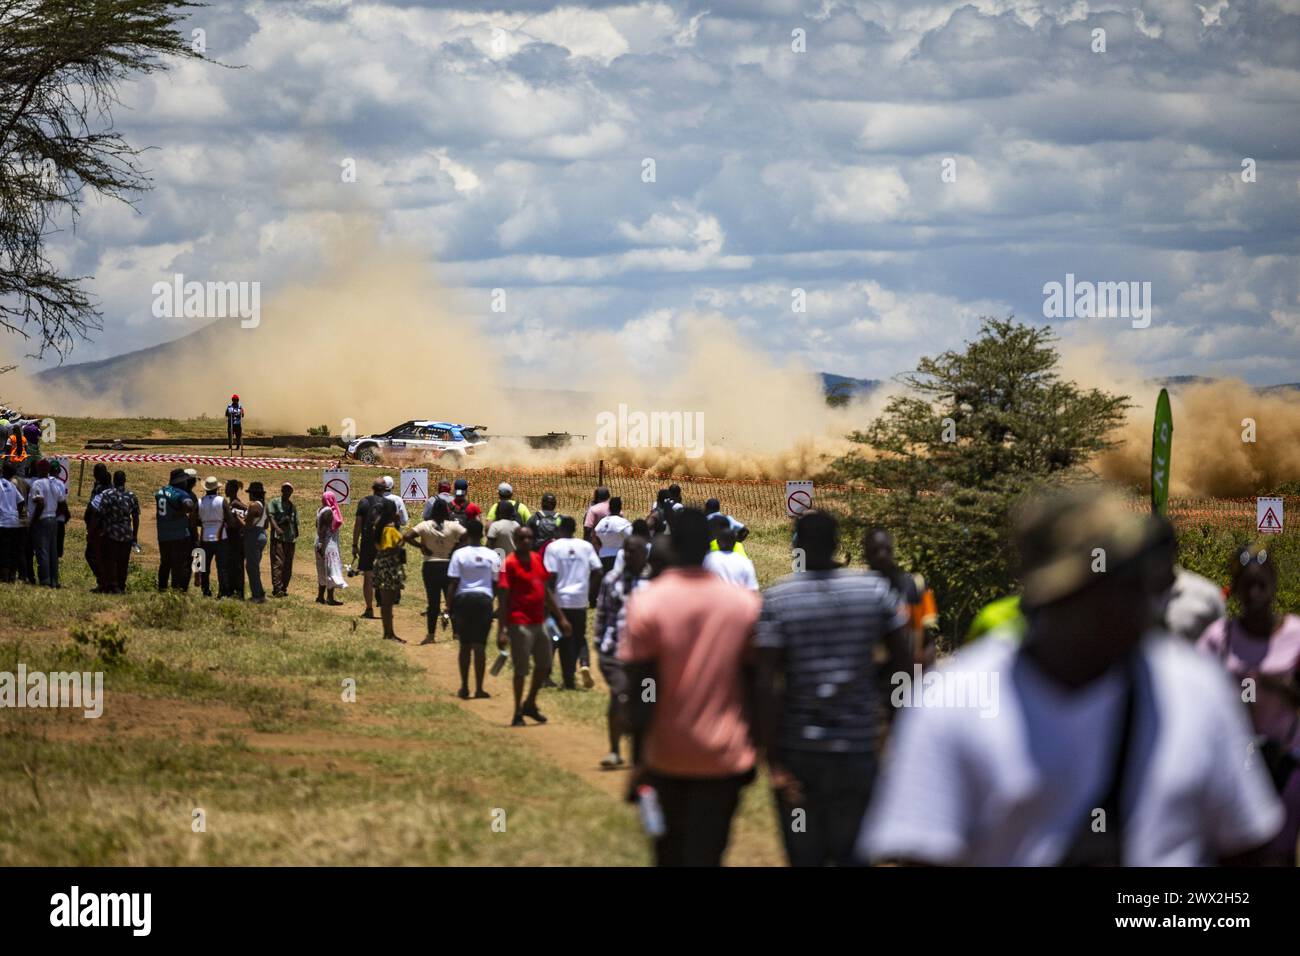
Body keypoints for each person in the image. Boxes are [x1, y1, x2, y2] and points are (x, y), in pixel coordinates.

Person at [858, 487, 1283, 866]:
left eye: (1139, 577)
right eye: (1114, 582)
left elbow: (1247, 847)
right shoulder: (953, 704)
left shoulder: (1196, 690)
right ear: (1057, 598)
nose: (1140, 597)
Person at [754, 511, 911, 866]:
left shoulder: (779, 598)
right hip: (858, 749)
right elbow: (906, 661)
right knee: (854, 854)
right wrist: (881, 698)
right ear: (838, 544)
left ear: (798, 546)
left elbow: (766, 682)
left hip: (799, 752)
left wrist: (773, 756)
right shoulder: (873, 591)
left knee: (804, 854)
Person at [620, 508, 762, 866]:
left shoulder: (648, 602)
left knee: (668, 852)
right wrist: (756, 747)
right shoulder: (744, 605)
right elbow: (756, 683)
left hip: (666, 756)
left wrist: (639, 758)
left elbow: (642, 687)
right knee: (709, 853)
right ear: (708, 545)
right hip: (725, 757)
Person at [1198, 544, 1300, 865]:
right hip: (1233, 764)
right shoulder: (1219, 637)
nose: (1254, 594)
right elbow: (1196, 697)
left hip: (1286, 760)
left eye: (1261, 585)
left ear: (1273, 585)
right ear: (1235, 589)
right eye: (1247, 586)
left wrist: (1283, 688)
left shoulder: (1296, 636)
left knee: (1278, 853)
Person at [498, 526, 570, 726]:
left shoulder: (537, 559)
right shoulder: (509, 564)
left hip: (540, 621)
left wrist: (561, 618)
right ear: (515, 539)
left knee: (545, 665)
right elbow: (503, 598)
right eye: (522, 538)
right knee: (521, 670)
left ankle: (530, 703)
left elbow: (545, 590)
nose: (527, 541)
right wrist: (502, 630)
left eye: (530, 538)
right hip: (518, 622)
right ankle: (517, 712)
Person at [594, 533, 650, 768]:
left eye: (633, 551)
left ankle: (642, 754)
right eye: (625, 550)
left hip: (647, 658)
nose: (627, 555)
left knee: (649, 701)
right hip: (615, 652)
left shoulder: (654, 583)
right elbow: (602, 613)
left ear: (644, 554)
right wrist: (599, 643)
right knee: (621, 695)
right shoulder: (612, 580)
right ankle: (615, 750)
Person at [863, 528, 938, 665]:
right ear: (866, 555)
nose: (881, 555)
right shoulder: (858, 590)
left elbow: (927, 636)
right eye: (875, 550)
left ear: (892, 551)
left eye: (885, 549)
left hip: (910, 672)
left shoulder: (916, 584)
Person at [544, 515, 603, 690]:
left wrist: (548, 600)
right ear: (574, 529)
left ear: (560, 529)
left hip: (559, 602)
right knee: (577, 637)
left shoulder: (553, 547)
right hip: (579, 601)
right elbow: (598, 571)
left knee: (554, 637)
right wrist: (589, 593)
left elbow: (551, 576)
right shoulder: (585, 546)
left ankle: (548, 675)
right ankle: (574, 674)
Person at [446, 517, 500, 699]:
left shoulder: (459, 554)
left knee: (464, 646)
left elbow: (453, 583)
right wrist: (492, 600)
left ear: (467, 533)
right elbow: (496, 583)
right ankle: (479, 688)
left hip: (463, 600)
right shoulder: (492, 555)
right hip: (484, 600)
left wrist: (448, 608)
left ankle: (464, 687)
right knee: (480, 647)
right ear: (483, 534)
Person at [405, 497, 465, 644]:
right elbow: (468, 536)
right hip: (449, 566)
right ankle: (456, 634)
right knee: (453, 601)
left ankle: (431, 636)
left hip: (430, 566)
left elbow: (407, 536)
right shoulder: (452, 526)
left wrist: (421, 547)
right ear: (446, 511)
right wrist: (455, 549)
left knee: (433, 603)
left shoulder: (425, 525)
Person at [372, 498, 410, 642]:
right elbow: (390, 547)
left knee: (386, 603)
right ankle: (389, 633)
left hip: (383, 565)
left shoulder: (379, 527)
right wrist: (400, 544)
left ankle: (388, 632)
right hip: (389, 567)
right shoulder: (388, 530)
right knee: (388, 604)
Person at [96, 471, 138, 593]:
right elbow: (135, 517)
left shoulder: (107, 494)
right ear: (125, 481)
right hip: (126, 534)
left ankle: (112, 584)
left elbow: (100, 513)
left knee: (110, 560)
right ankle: (121, 585)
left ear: (113, 481)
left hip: (111, 533)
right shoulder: (131, 496)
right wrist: (134, 535)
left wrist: (100, 530)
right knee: (123, 562)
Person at [27, 459, 66, 587]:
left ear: (39, 469)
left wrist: (32, 522)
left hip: (41, 520)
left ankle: (45, 580)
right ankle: (54, 580)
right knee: (52, 551)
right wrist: (54, 514)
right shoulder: (55, 484)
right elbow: (62, 504)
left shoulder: (37, 483)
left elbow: (40, 503)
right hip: (53, 520)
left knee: (42, 551)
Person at [154, 468, 195, 592]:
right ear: (180, 481)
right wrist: (181, 513)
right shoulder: (180, 493)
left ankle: (162, 588)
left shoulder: (160, 492)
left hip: (163, 534)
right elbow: (189, 506)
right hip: (179, 535)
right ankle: (176, 590)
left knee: (165, 563)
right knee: (178, 564)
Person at [352, 479, 386, 619]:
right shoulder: (389, 504)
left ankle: (369, 608)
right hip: (383, 544)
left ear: (372, 488)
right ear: (385, 489)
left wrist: (355, 545)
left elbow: (358, 525)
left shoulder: (364, 502)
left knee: (368, 576)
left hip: (367, 544)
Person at [314, 490, 347, 605]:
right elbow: (323, 530)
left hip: (319, 542)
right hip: (327, 544)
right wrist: (322, 544)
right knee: (330, 570)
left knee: (322, 570)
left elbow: (317, 527)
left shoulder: (320, 510)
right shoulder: (329, 512)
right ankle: (330, 598)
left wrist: (319, 544)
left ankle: (320, 597)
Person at [703, 524, 758, 590]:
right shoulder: (746, 562)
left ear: (718, 542)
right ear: (735, 541)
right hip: (738, 594)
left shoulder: (709, 558)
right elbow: (752, 589)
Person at [268, 482, 299, 597]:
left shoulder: (292, 506)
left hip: (290, 539)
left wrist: (295, 534)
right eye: (285, 489)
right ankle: (277, 588)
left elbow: (295, 522)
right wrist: (277, 528)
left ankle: (284, 588)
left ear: (291, 492)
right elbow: (270, 517)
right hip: (278, 538)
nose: (287, 492)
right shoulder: (274, 502)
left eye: (289, 490)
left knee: (288, 565)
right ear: (281, 490)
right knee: (278, 563)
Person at [83, 463, 112, 588]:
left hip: (98, 527)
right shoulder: (111, 488)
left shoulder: (100, 490)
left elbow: (93, 509)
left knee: (92, 555)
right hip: (107, 527)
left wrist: (90, 527)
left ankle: (102, 580)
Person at [196, 477, 224, 597]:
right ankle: (222, 591)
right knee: (221, 567)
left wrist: (204, 522)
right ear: (217, 489)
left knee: (205, 567)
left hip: (205, 537)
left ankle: (205, 590)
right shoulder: (222, 501)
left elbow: (194, 519)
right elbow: (227, 517)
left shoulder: (200, 501)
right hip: (220, 537)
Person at [219, 479, 247, 599]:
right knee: (236, 566)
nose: (225, 490)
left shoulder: (235, 504)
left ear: (232, 490)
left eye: (227, 488)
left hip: (234, 539)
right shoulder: (235, 504)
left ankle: (235, 590)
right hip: (236, 539)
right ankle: (237, 591)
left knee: (234, 566)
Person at [243, 481, 269, 603]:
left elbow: (247, 525)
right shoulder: (264, 505)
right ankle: (260, 592)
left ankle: (257, 595)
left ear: (253, 494)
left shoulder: (253, 506)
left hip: (253, 536)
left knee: (251, 567)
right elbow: (266, 524)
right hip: (262, 534)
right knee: (254, 566)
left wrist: (238, 518)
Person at [593, 496, 633, 574]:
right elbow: (632, 537)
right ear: (620, 508)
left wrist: (599, 549)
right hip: (617, 556)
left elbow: (594, 536)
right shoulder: (622, 523)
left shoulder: (602, 522)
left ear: (609, 508)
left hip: (603, 556)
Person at [0, 462, 22, 582]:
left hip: (2, 523)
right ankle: (12, 576)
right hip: (14, 522)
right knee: (13, 550)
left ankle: (4, 577)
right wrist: (22, 520)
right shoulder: (12, 486)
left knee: (3, 551)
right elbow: (21, 502)